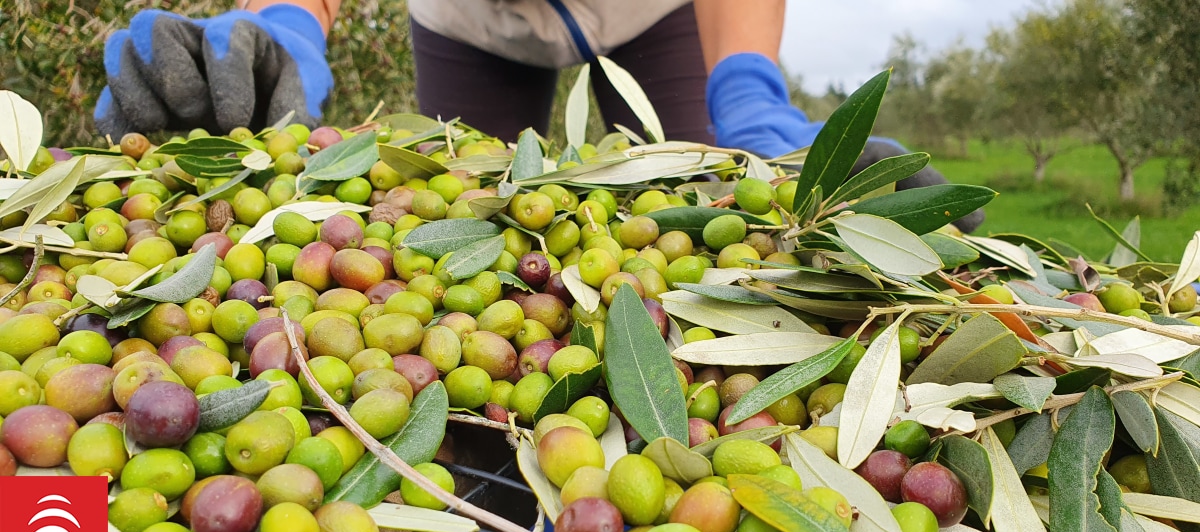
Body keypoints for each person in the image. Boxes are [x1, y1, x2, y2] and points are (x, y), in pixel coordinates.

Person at [95, 0, 982, 230]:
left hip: (649, 12)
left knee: (711, 201)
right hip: (472, 22)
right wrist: (286, 27)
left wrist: (749, 95)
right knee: (473, 213)